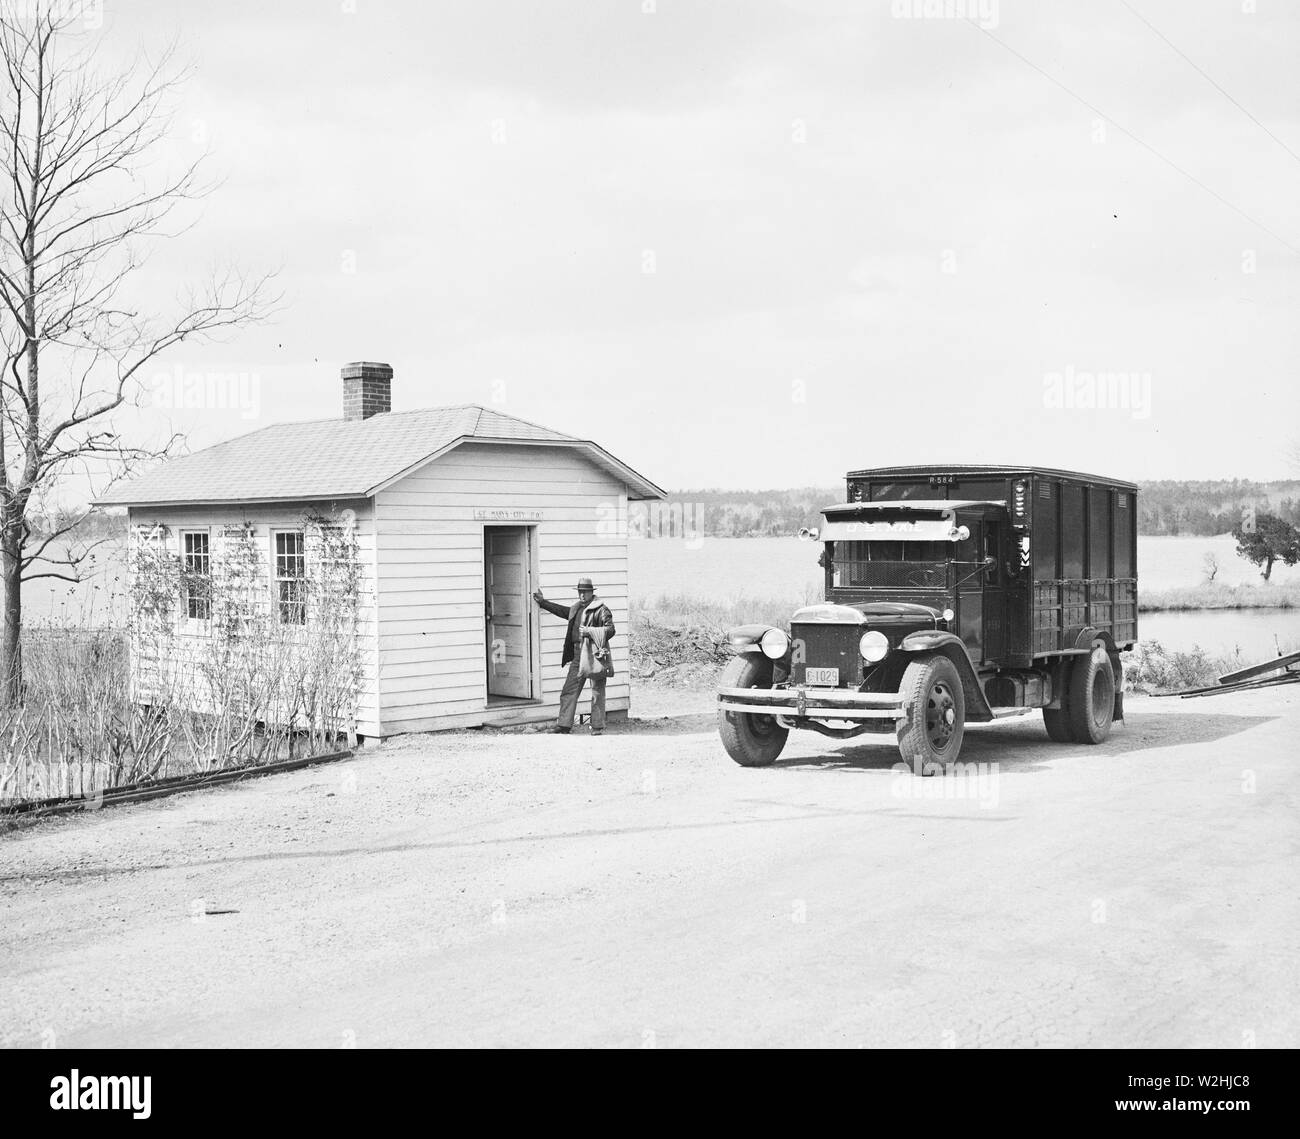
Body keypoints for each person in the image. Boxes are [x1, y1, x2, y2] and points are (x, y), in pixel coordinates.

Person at [533, 577, 615, 734]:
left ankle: (597, 727)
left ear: (592, 592)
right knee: (569, 690)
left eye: (585, 592)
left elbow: (611, 630)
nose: (582, 595)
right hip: (578, 655)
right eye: (580, 592)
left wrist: (590, 632)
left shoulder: (601, 609)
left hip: (594, 654)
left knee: (597, 691)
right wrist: (543, 603)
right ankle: (564, 725)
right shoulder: (576, 608)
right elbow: (563, 611)